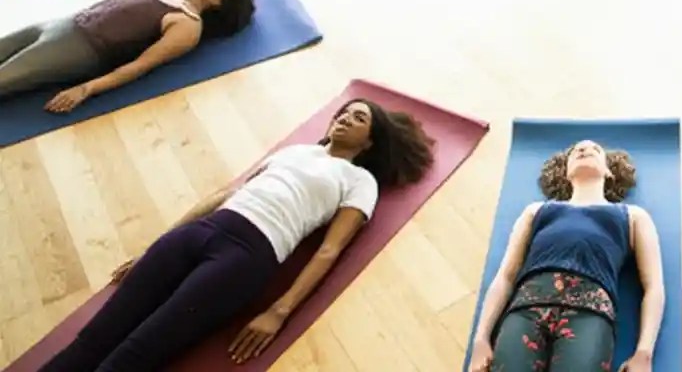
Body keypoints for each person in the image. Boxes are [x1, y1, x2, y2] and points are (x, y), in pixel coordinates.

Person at [41, 99, 435, 371]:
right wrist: (152, 247)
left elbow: (330, 250)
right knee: (91, 340)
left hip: (246, 256)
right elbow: (224, 195)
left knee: (131, 356)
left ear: (368, 142)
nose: (345, 118)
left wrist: (279, 312)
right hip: (200, 233)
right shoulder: (295, 151)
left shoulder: (360, 179)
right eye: (345, 112)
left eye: (359, 118)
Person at [469, 140, 664, 372]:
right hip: (526, 309)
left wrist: (644, 353)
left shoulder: (632, 216)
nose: (584, 149)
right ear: (565, 173)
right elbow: (505, 276)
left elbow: (654, 286)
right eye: (576, 150)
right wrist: (480, 340)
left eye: (596, 149)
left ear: (609, 171)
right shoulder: (536, 211)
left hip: (590, 312)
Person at [0, 0, 255, 109]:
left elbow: (140, 66)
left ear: (220, 4)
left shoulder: (188, 26)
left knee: (6, 77)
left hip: (80, 49)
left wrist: (85, 89)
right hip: (64, 23)